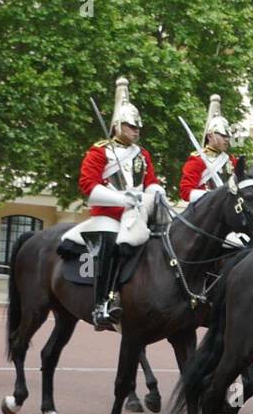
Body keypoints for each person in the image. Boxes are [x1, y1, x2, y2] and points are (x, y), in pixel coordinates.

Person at [77, 100, 162, 330]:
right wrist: (121, 199)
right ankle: (101, 304)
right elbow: (88, 186)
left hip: (137, 212)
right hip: (109, 213)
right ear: (117, 125)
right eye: (130, 126)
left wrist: (157, 192)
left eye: (137, 127)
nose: (135, 131)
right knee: (110, 242)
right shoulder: (100, 150)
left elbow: (150, 182)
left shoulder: (142, 155)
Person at [180, 94, 237, 204]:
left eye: (228, 137)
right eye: (223, 136)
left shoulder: (232, 161)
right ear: (210, 136)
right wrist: (211, 197)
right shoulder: (197, 160)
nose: (227, 140)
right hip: (206, 211)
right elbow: (186, 192)